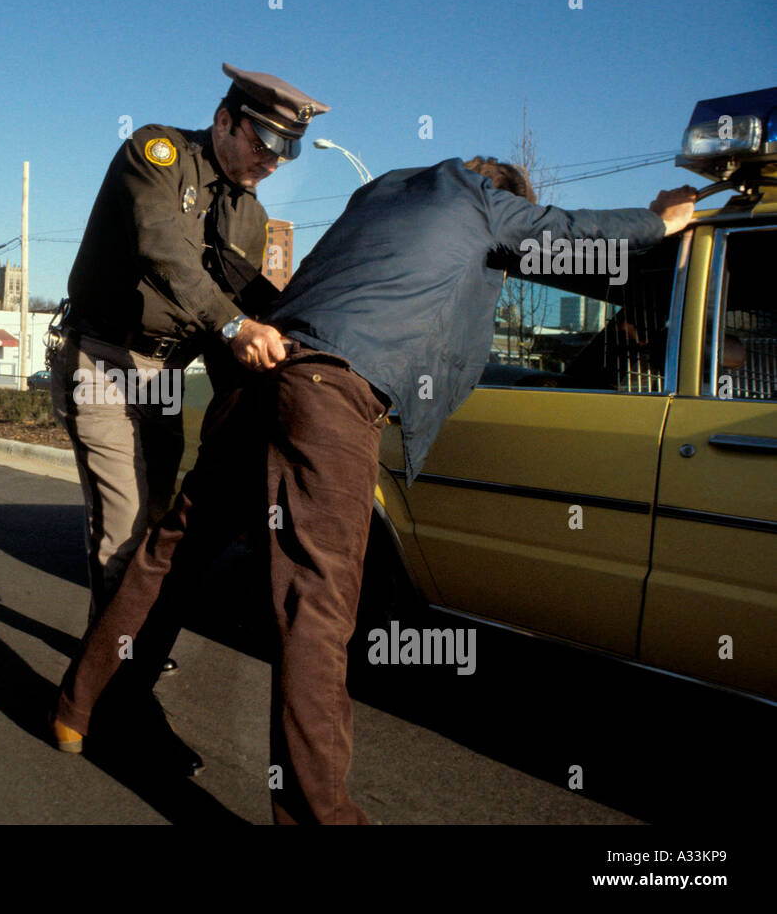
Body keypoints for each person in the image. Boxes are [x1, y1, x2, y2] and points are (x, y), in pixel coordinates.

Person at [52, 155, 698, 821]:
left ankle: (81, 706)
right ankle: (319, 814)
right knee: (317, 613)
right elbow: (571, 233)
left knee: (174, 550)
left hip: (265, 377)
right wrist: (659, 218)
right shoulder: (480, 201)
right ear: (505, 197)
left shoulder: (382, 194)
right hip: (331, 397)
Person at [48, 64, 327, 772]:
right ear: (226, 118)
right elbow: (166, 251)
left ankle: (110, 654)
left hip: (167, 372)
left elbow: (238, 304)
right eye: (264, 141)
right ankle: (118, 694)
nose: (272, 161)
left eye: (286, 152)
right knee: (123, 525)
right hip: (105, 357)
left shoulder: (252, 214)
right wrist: (236, 325)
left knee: (158, 524)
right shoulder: (157, 154)